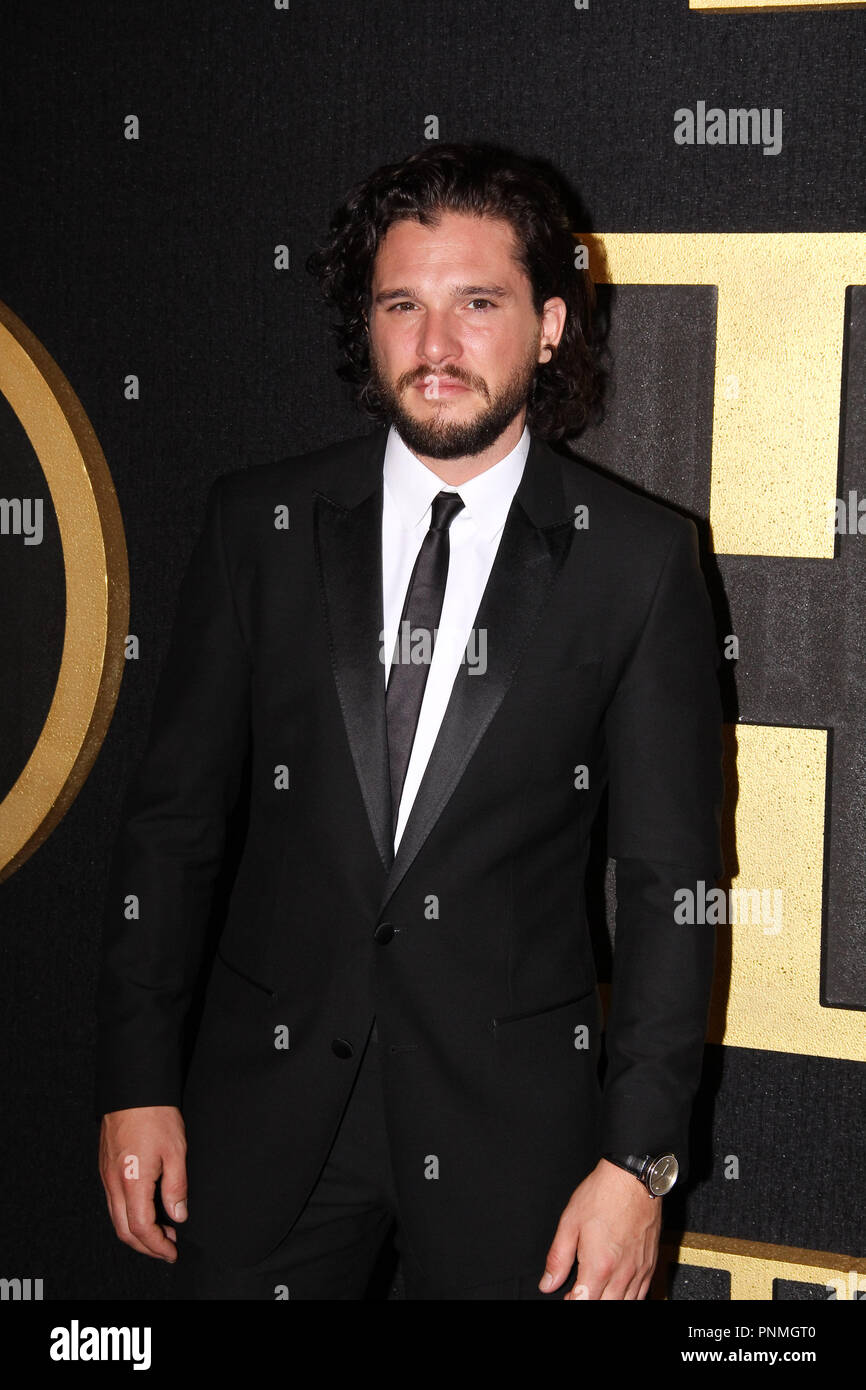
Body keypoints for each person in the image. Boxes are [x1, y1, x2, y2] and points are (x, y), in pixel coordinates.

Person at [96, 141, 724, 1301]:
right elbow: (171, 825)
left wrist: (638, 1162)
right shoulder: (260, 526)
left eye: (475, 303)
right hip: (263, 1116)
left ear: (547, 325)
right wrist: (136, 1077)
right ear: (367, 325)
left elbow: (669, 888)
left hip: (515, 1139)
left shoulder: (635, 562)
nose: (434, 348)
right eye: (401, 305)